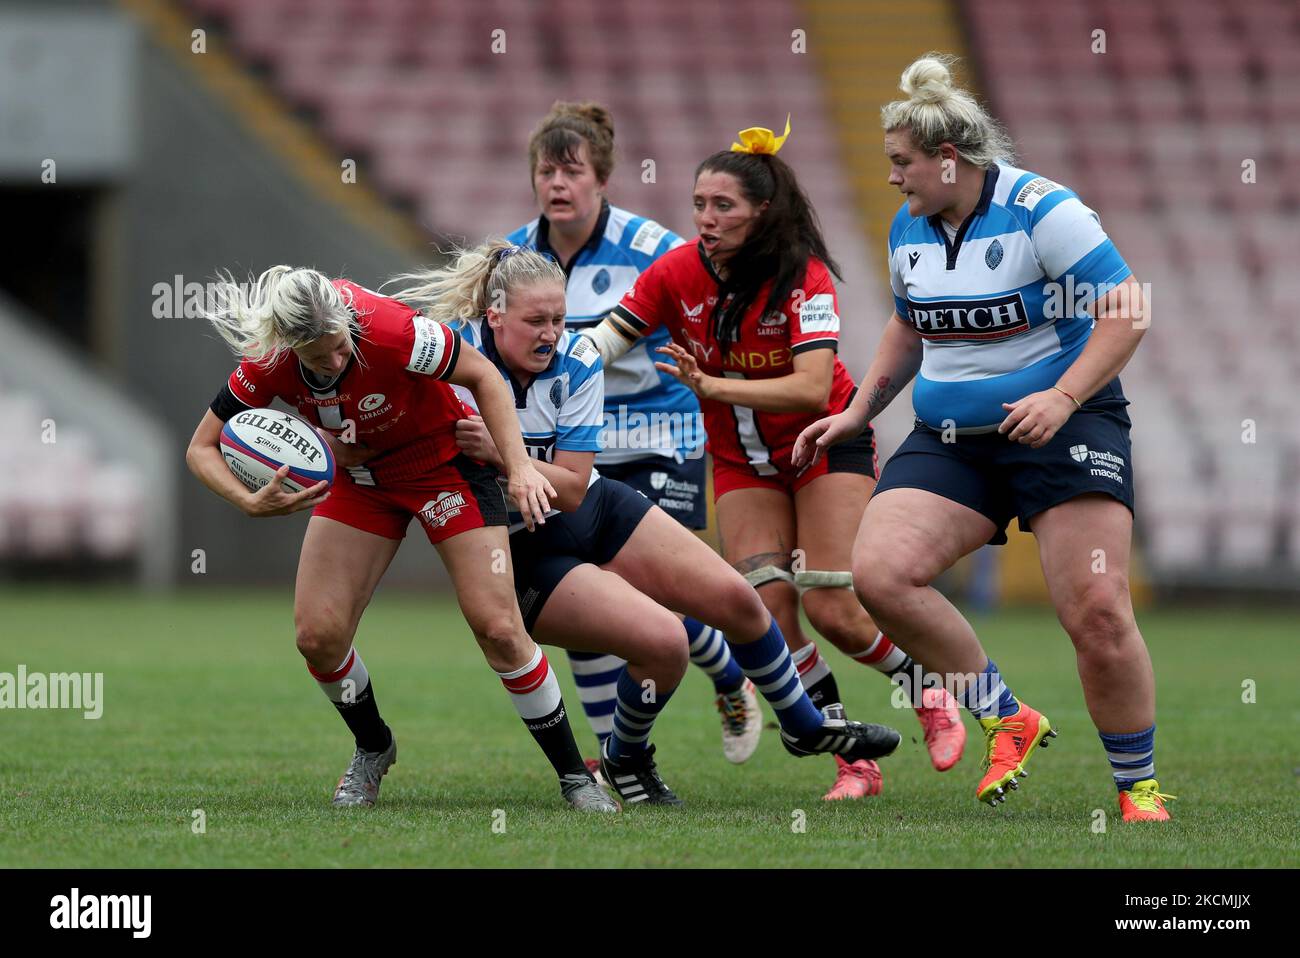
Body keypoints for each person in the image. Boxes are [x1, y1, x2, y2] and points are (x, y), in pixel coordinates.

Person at [388, 241, 903, 805]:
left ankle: (803, 726)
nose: (551, 333)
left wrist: (501, 453)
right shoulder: (449, 363)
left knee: (739, 600)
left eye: (558, 318)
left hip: (590, 507)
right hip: (518, 548)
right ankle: (627, 759)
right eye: (535, 321)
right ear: (494, 317)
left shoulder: (578, 359)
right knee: (665, 644)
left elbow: (572, 486)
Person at [794, 54, 1172, 822]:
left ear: (949, 159)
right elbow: (908, 324)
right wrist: (860, 411)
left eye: (902, 163)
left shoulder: (1044, 209)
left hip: (1066, 424)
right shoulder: (910, 226)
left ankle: (1139, 788)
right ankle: (1007, 715)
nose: (892, 178)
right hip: (951, 437)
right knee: (881, 573)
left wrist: (1065, 396)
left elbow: (1127, 309)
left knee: (1097, 611)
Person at [578, 117, 966, 800]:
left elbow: (813, 386)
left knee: (837, 612)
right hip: (740, 460)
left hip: (824, 443)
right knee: (768, 618)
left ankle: (929, 694)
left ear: (762, 210)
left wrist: (712, 385)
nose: (705, 218)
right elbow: (608, 339)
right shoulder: (675, 271)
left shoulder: (802, 275)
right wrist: (546, 373)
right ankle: (855, 763)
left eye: (722, 205)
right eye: (699, 203)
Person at [185, 265, 616, 813]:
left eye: (342, 347)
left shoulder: (390, 330)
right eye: (321, 358)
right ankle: (373, 747)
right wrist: (247, 500)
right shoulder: (268, 362)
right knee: (317, 634)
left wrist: (520, 467)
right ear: (290, 348)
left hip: (445, 468)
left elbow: (484, 376)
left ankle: (574, 776)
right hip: (364, 482)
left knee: (500, 628)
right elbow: (201, 448)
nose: (338, 362)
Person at [507, 101, 762, 767]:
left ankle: (731, 679)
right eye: (545, 171)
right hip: (569, 455)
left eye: (571, 171)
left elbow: (708, 321)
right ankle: (605, 755)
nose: (557, 184)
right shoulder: (511, 258)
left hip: (657, 437)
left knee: (651, 591)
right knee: (587, 599)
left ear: (603, 180)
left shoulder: (654, 251)